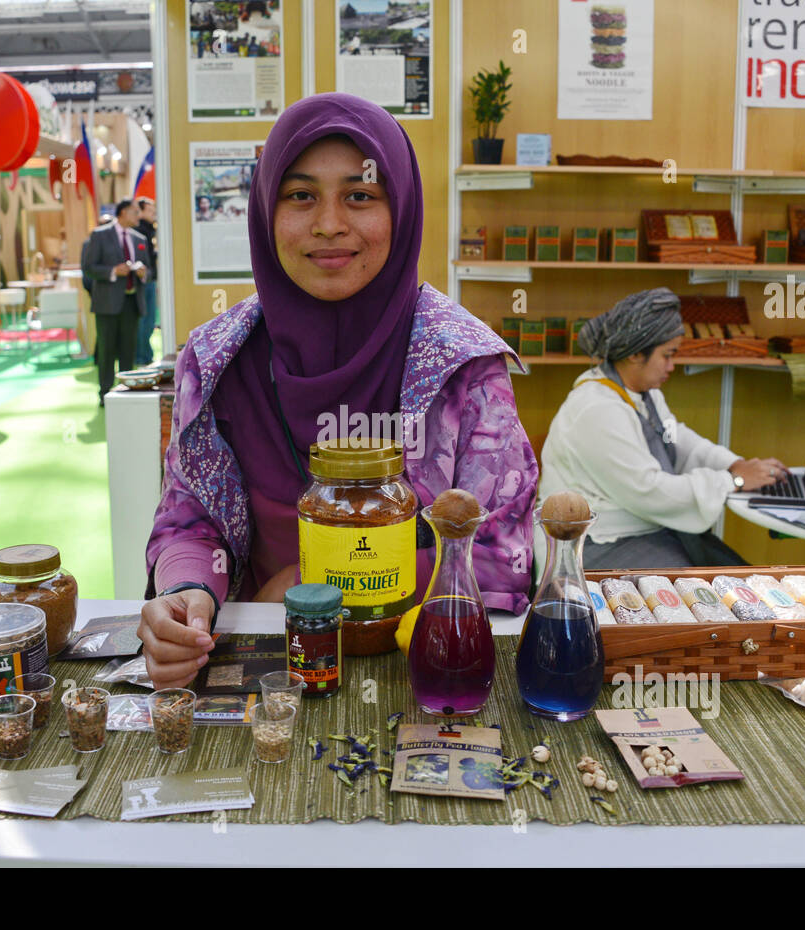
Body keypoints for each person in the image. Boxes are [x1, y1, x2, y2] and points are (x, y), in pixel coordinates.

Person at [138, 93, 537, 690]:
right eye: (300, 196)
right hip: (271, 665)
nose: (329, 224)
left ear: (400, 209)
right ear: (264, 213)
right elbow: (192, 521)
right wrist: (186, 594)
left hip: (423, 675)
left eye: (360, 195)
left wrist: (314, 582)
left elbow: (499, 557)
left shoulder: (463, 365)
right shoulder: (217, 360)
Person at [537, 288, 788, 571]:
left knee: (741, 575)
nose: (672, 366)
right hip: (592, 546)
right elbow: (650, 491)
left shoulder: (643, 394)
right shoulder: (597, 410)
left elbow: (675, 438)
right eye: (667, 355)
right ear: (634, 355)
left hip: (638, 528)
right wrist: (732, 481)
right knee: (708, 594)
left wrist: (734, 463)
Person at [81, 199, 153, 406]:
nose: (138, 216)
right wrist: (113, 271)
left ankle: (126, 391)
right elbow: (88, 267)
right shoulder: (100, 235)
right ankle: (105, 392)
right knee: (107, 349)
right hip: (107, 303)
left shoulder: (140, 238)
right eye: (134, 212)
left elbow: (150, 270)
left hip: (132, 301)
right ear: (121, 213)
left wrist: (143, 273)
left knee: (128, 349)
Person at [133, 196, 159, 367]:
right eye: (150, 211)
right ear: (141, 212)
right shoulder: (139, 232)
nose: (154, 214)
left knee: (149, 320)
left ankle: (145, 355)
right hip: (143, 282)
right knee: (145, 320)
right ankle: (142, 357)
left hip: (149, 280)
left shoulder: (150, 231)